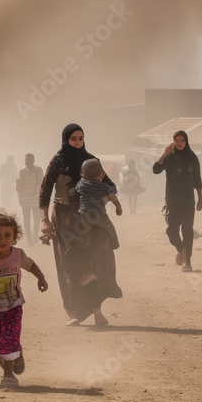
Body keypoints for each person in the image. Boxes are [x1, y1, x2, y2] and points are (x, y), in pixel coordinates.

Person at [39, 124, 123, 326]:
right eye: (73, 139)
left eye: (81, 138)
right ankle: (77, 312)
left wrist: (105, 198)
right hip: (65, 220)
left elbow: (111, 185)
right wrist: (44, 220)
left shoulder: (92, 161)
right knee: (71, 265)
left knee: (96, 260)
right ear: (66, 139)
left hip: (90, 218)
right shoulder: (57, 161)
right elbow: (45, 193)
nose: (78, 142)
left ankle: (97, 312)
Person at [0, 210, 48, 388]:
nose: (2, 240)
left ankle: (8, 375)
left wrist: (41, 278)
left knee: (8, 340)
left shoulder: (17, 255)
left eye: (7, 235)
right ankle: (15, 353)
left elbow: (32, 265)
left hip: (13, 308)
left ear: (15, 236)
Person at [153, 130, 202, 272]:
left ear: (186, 142)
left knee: (187, 230)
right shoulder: (169, 158)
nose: (179, 143)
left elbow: (197, 180)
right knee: (171, 231)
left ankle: (187, 262)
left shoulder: (192, 158)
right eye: (177, 140)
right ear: (173, 142)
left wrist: (200, 199)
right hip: (172, 201)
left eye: (182, 140)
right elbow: (155, 170)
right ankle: (182, 250)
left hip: (188, 200)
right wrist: (164, 154)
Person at [70, 158, 122, 257]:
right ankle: (115, 244)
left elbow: (73, 192)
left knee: (80, 233)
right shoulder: (105, 186)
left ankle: (77, 249)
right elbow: (113, 197)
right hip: (100, 216)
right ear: (102, 174)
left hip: (85, 216)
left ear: (82, 175)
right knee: (110, 228)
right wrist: (118, 207)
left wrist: (66, 192)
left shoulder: (81, 184)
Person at [15, 153, 43, 246]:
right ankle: (29, 238)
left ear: (33, 161)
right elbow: (19, 187)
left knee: (36, 219)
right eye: (26, 160)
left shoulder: (39, 170)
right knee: (27, 219)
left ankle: (35, 236)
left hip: (36, 199)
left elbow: (42, 184)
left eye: (29, 160)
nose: (27, 162)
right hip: (25, 199)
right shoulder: (22, 171)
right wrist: (19, 199)